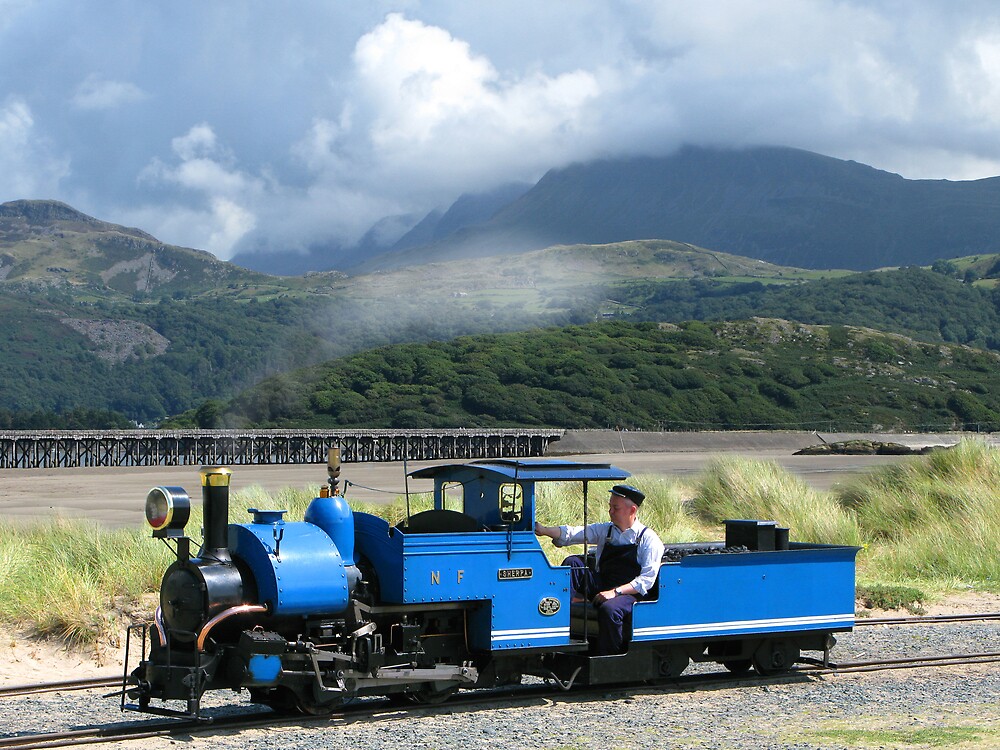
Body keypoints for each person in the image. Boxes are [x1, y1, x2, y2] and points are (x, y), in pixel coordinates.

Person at [535, 484, 664, 655]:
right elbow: (573, 533)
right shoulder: (606, 530)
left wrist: (615, 592)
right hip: (603, 583)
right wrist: (544, 530)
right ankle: (558, 625)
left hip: (630, 593)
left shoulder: (649, 540)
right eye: (610, 506)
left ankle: (611, 656)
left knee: (610, 609)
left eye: (615, 508)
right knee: (572, 563)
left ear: (632, 510)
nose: (610, 511)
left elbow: (646, 581)